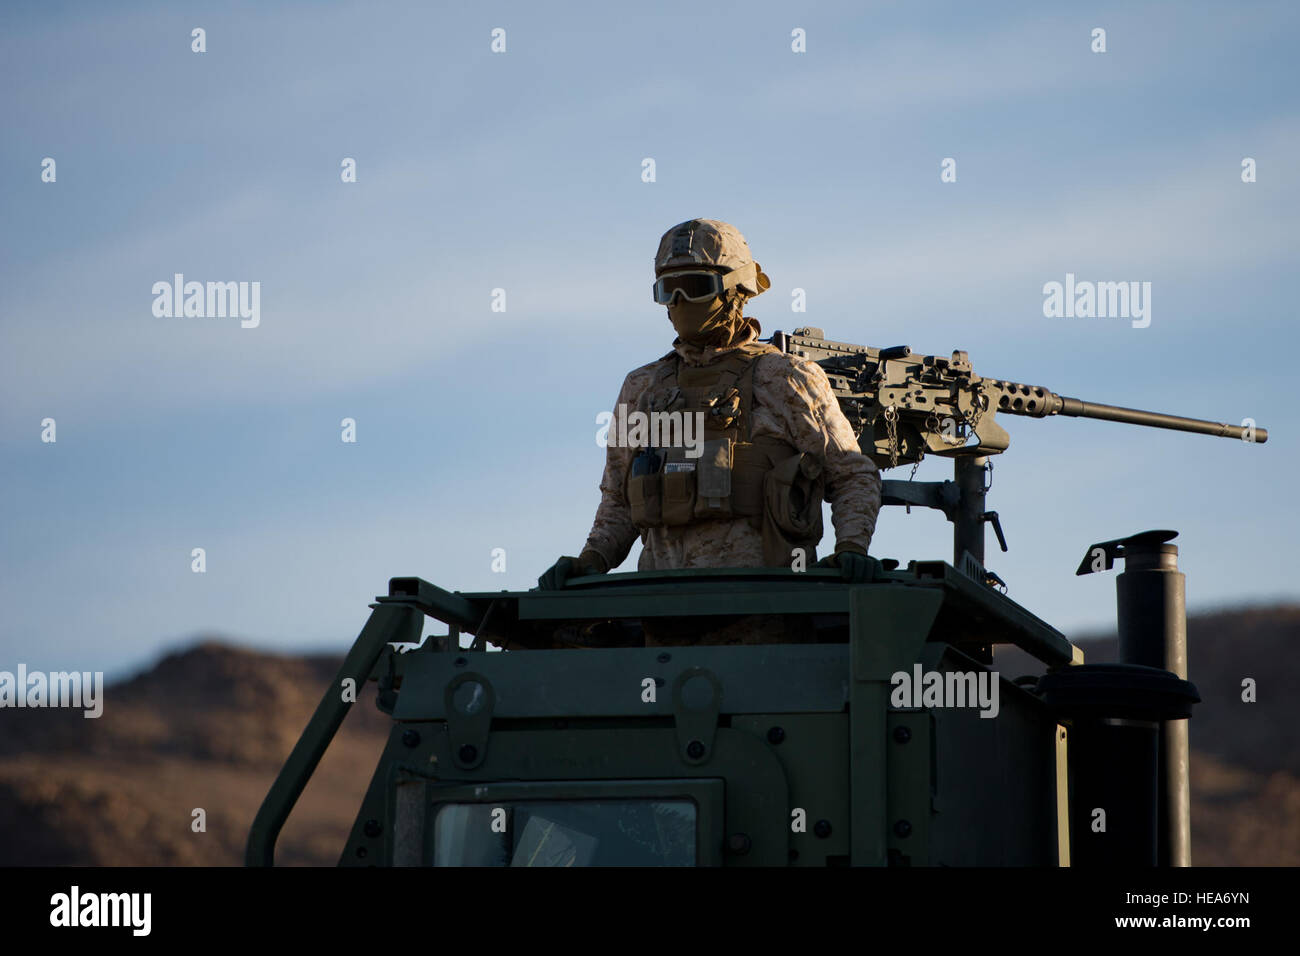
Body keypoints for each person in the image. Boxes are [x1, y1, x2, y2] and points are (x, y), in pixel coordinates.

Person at [539, 219, 882, 644]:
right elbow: (619, 498)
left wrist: (851, 547)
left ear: (735, 289)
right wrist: (593, 558)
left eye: (694, 286)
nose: (680, 301)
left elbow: (851, 475)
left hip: (765, 614)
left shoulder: (786, 378)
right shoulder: (642, 387)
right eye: (668, 290)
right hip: (662, 616)